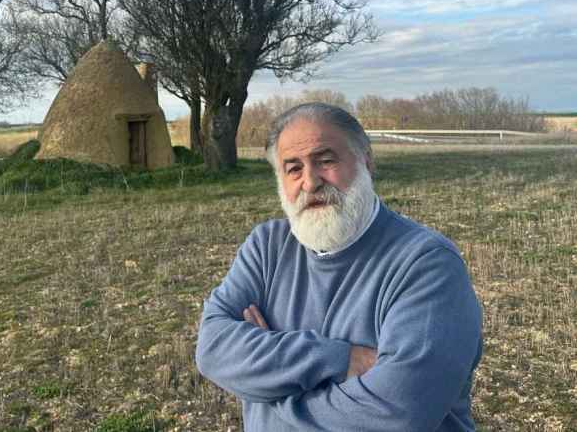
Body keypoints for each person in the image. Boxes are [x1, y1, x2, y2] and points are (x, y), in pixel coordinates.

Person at [195, 102, 483, 431]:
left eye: (326, 161)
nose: (310, 182)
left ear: (367, 162)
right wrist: (341, 359)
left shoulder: (427, 264)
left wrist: (268, 393)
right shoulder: (266, 247)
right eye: (293, 169)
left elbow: (398, 413)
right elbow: (213, 348)